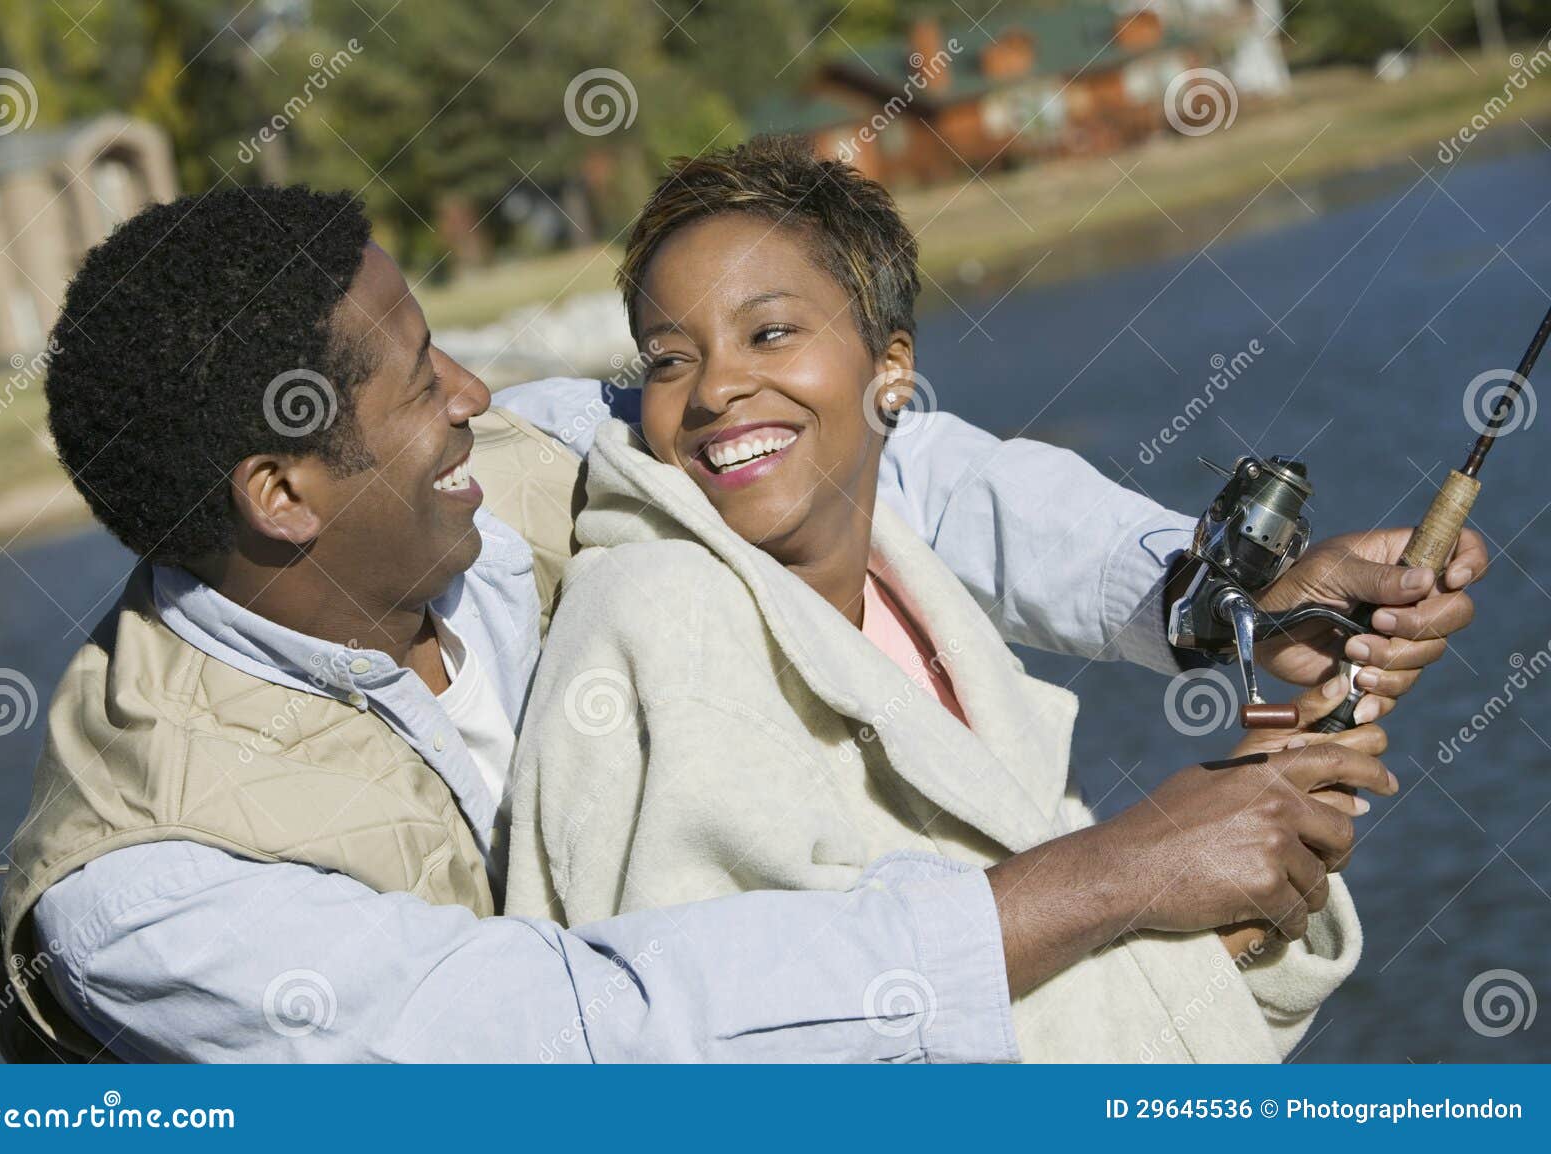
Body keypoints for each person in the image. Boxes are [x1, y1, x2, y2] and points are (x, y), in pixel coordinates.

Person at [0, 176, 1479, 1063]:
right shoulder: (149, 896)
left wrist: (1207, 592)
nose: (478, 398)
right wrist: (1103, 879)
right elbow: (587, 1046)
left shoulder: (502, 473)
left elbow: (826, 458)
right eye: (423, 375)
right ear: (284, 491)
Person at [501, 138, 1416, 1061]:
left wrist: (1259, 860)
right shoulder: (656, 621)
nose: (716, 390)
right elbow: (730, 1044)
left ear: (892, 367)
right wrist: (1140, 863)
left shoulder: (916, 599)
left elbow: (1043, 970)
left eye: (769, 332)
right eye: (667, 360)